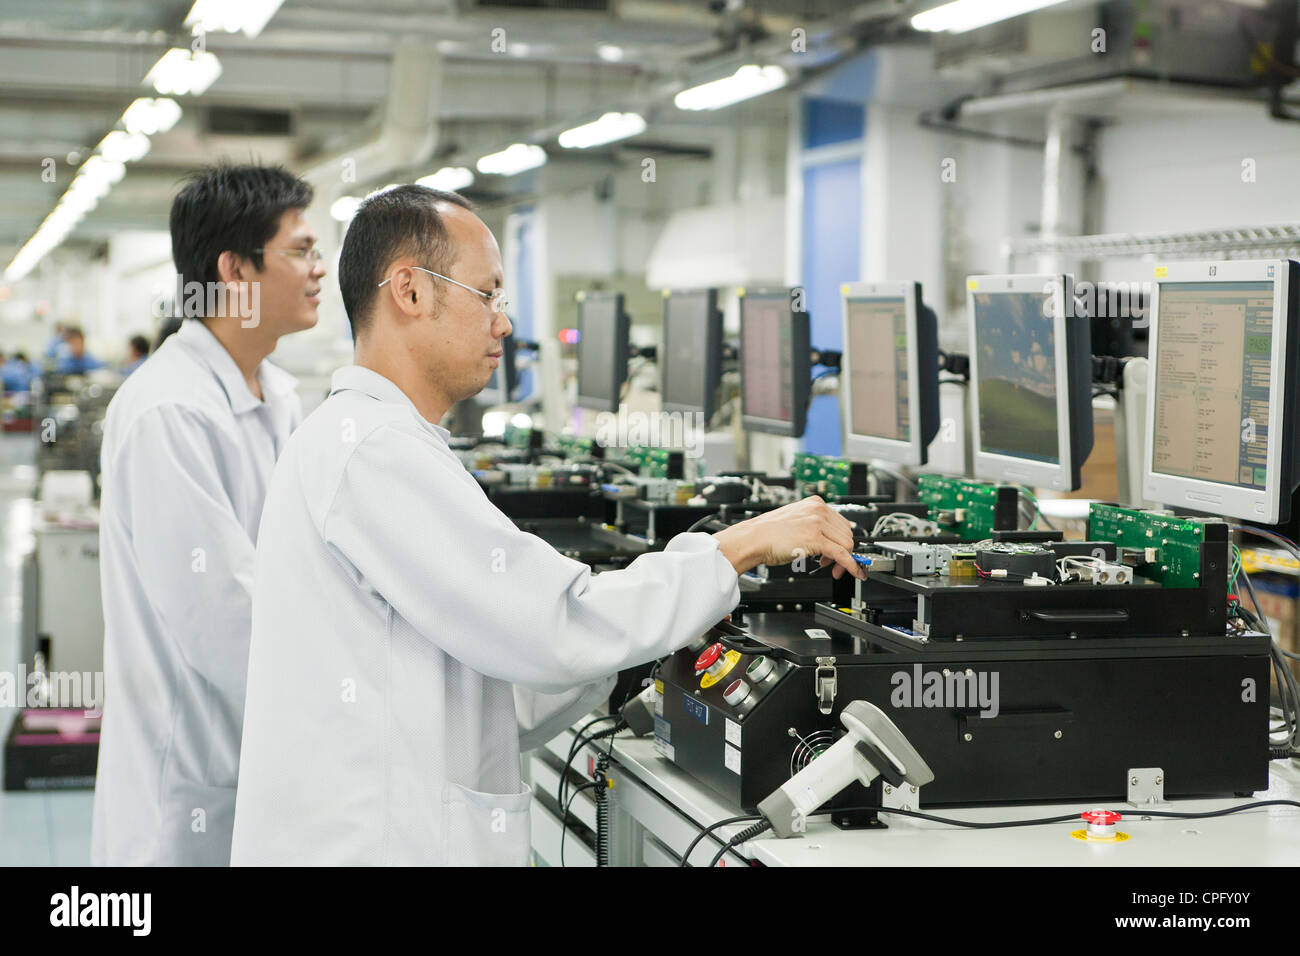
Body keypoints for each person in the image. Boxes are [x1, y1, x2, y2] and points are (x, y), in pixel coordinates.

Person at [230, 185, 863, 866]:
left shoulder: (380, 441)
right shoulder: (373, 451)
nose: (504, 323)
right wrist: (739, 546)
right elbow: (553, 625)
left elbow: (500, 691)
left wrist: (636, 648)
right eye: (488, 294)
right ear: (410, 292)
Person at [93, 164, 326, 866]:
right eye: (300, 250)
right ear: (235, 268)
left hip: (258, 773)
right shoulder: (171, 412)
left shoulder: (280, 397)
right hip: (187, 796)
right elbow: (231, 624)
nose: (319, 270)